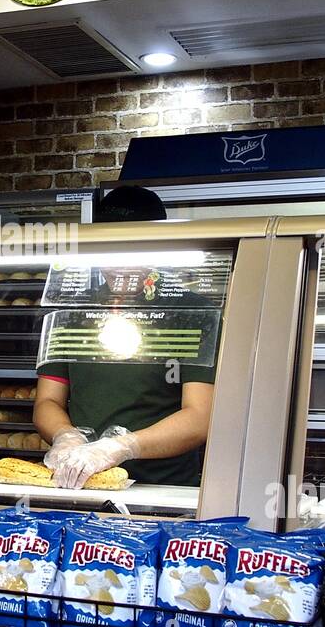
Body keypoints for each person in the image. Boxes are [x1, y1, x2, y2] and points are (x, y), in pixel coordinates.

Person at [33, 186, 216, 489]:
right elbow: (48, 400)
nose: (120, 264)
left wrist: (120, 447)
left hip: (163, 491)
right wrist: (65, 436)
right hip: (81, 485)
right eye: (111, 249)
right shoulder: (72, 313)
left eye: (134, 248)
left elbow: (199, 417)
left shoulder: (191, 312)